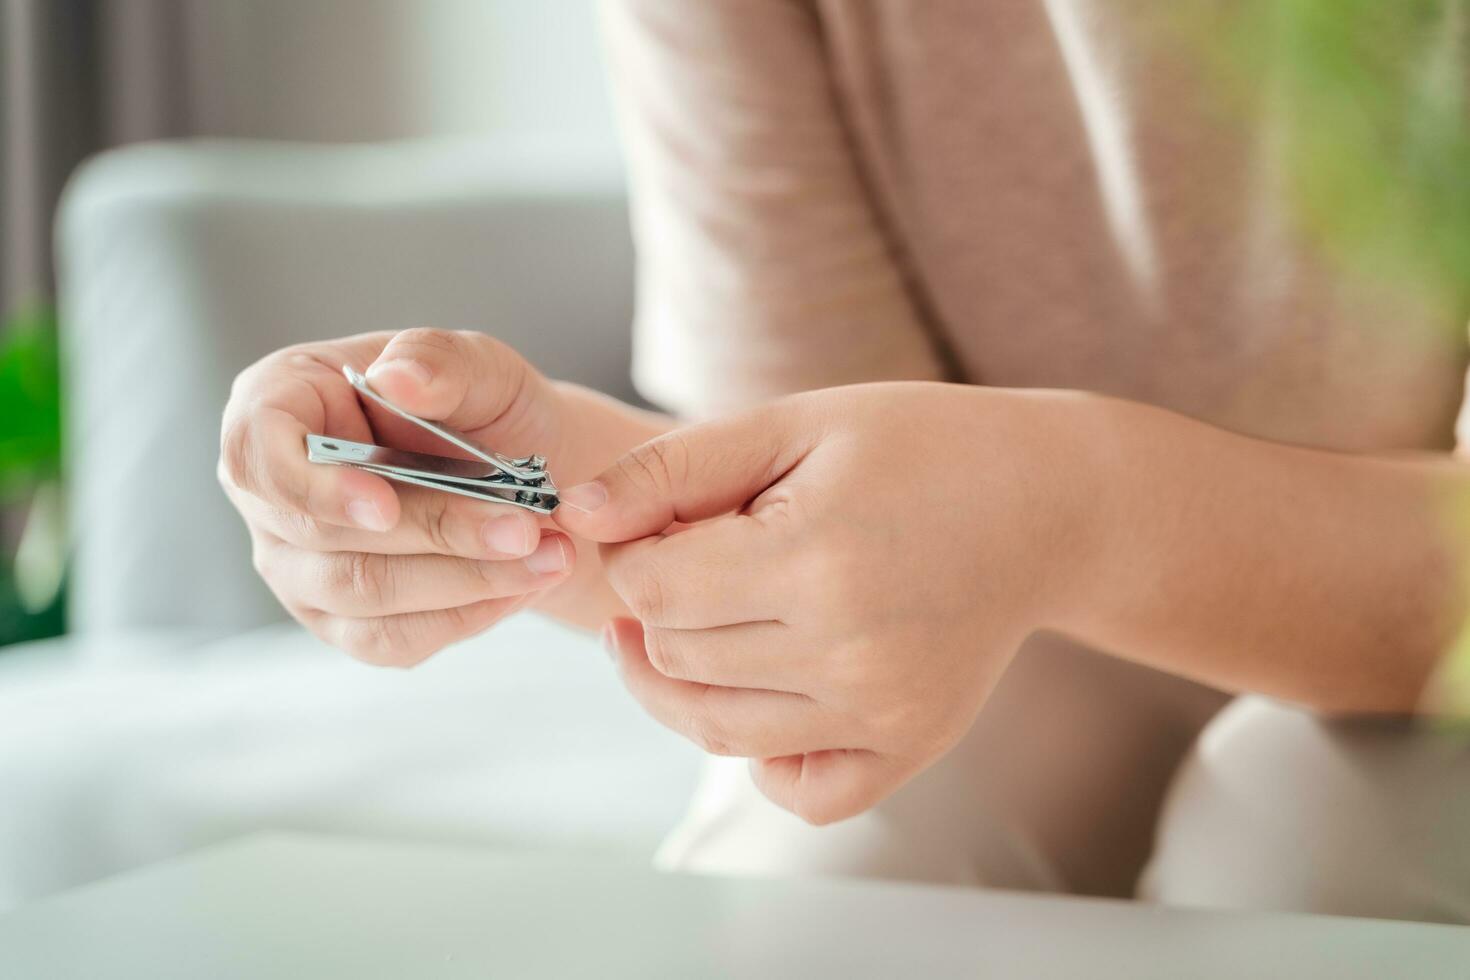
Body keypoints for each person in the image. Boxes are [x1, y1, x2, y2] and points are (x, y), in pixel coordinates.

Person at [219, 2, 1470, 921]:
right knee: (824, 880)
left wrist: (1070, 506)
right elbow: (824, 528)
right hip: (1046, 637)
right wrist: (526, 469)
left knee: (1306, 835)